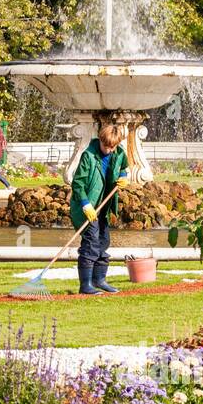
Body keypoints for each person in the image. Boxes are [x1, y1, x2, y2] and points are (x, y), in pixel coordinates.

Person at [70, 123, 128, 296]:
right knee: (91, 243)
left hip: (104, 206)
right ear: (101, 140)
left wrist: (124, 176)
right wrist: (86, 204)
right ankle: (85, 284)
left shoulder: (118, 153)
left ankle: (99, 280)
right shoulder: (88, 156)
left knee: (103, 241)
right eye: (106, 146)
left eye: (112, 147)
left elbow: (124, 166)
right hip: (87, 206)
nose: (109, 150)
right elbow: (78, 184)